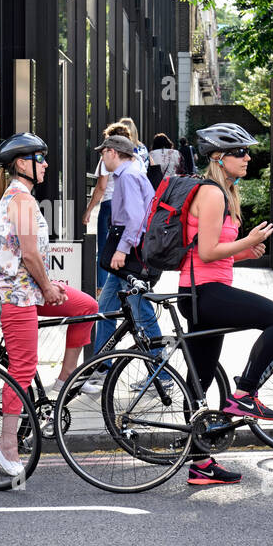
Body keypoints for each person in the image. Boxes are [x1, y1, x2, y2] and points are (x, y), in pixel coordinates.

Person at [179, 122, 273, 485]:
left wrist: (245, 252)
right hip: (203, 294)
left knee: (200, 382)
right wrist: (246, 242)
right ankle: (244, 393)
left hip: (204, 291)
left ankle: (200, 466)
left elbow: (211, 254)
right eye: (240, 152)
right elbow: (208, 252)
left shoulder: (225, 193)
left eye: (247, 151)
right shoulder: (210, 193)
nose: (247, 157)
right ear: (219, 157)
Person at [0, 132, 99, 476]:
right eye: (40, 158)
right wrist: (49, 288)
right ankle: (5, 445)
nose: (46, 164)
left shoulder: (22, 198)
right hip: (15, 295)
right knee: (22, 367)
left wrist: (48, 288)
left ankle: (64, 379)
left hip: (30, 289)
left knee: (86, 306)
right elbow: (30, 253)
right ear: (22, 164)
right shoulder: (19, 199)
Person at [90, 134, 165, 384]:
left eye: (103, 153)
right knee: (106, 308)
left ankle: (162, 375)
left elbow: (135, 218)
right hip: (129, 253)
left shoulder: (129, 176)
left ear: (112, 152)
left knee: (140, 310)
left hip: (130, 254)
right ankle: (103, 367)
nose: (101, 158)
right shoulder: (129, 173)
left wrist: (121, 250)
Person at [82, 121, 137, 290]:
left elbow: (101, 187)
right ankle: (124, 285)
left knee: (105, 249)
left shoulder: (106, 158)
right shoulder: (136, 160)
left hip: (110, 205)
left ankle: (101, 288)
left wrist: (88, 210)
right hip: (129, 207)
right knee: (124, 248)